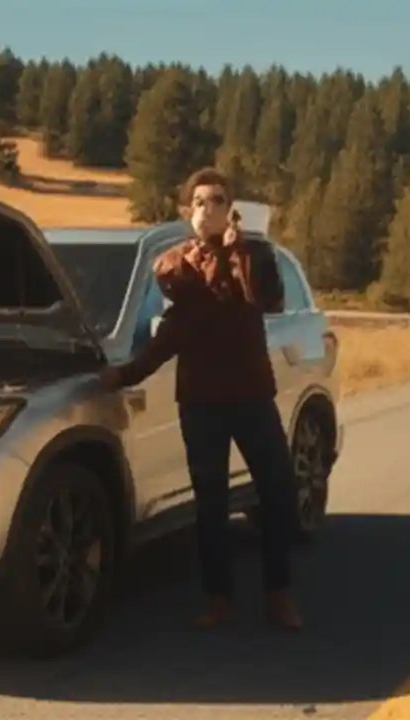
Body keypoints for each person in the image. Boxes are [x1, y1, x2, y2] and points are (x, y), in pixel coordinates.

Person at [100, 167, 303, 632]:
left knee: (277, 494)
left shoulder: (255, 255)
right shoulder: (178, 263)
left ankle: (278, 594)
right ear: (187, 210)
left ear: (230, 209)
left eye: (216, 201)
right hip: (201, 402)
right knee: (210, 503)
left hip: (252, 396)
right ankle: (219, 599)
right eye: (199, 201)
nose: (207, 208)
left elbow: (262, 299)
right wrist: (125, 374)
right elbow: (172, 331)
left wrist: (234, 248)